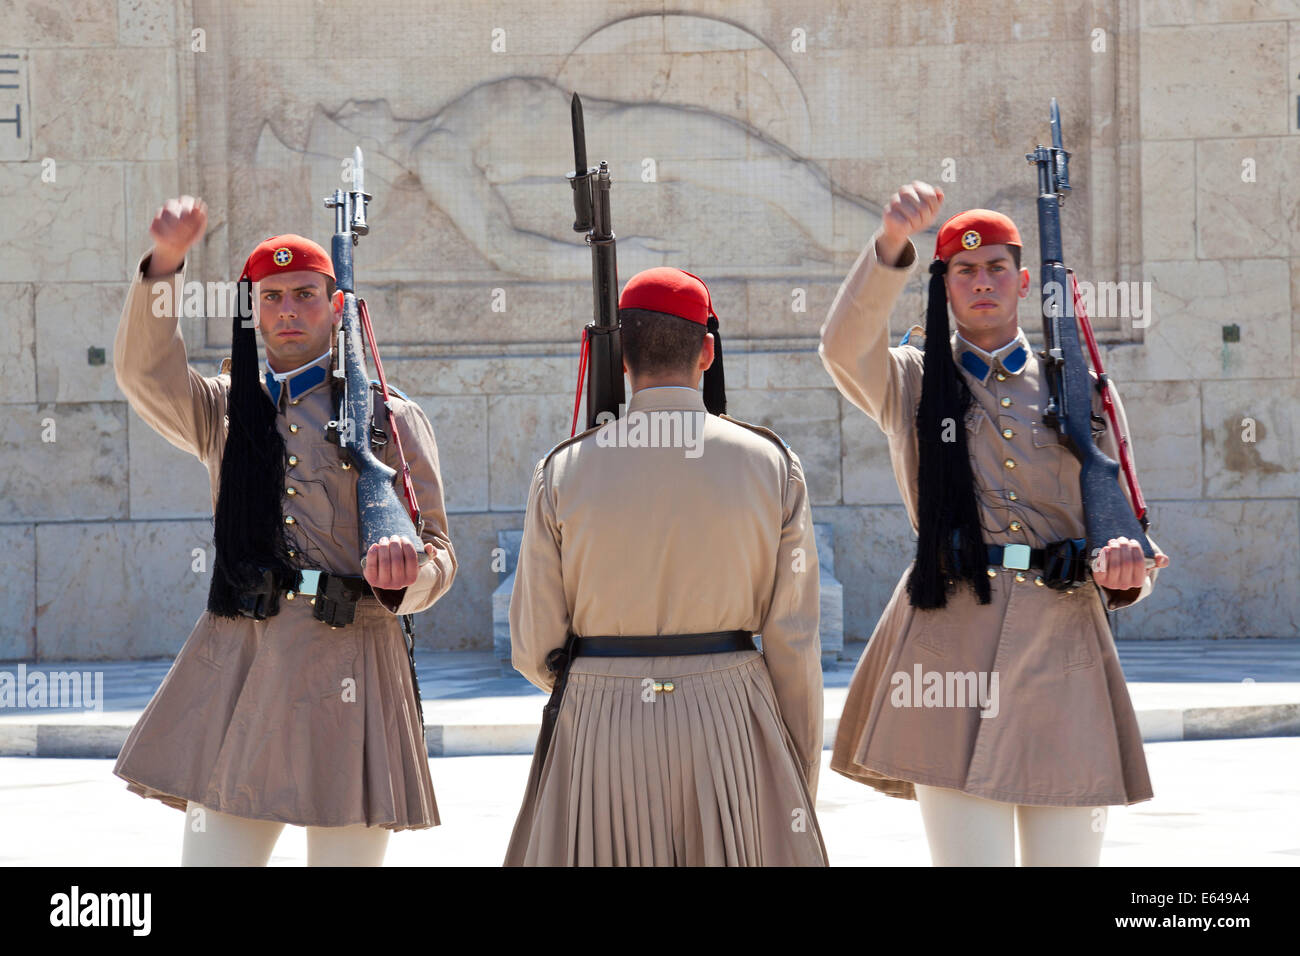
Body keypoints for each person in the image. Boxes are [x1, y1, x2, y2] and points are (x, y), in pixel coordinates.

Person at [820, 182, 1171, 866]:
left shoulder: (1084, 392)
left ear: (1023, 281)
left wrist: (1127, 575)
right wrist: (890, 244)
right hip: (948, 646)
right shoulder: (913, 383)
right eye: (963, 270)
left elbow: (1126, 537)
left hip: (1063, 646)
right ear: (944, 285)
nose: (981, 282)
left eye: (996, 268)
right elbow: (841, 346)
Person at [112, 196, 457, 866]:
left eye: (304, 295)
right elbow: (143, 373)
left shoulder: (390, 417)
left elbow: (441, 552)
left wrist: (409, 577)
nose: (288, 311)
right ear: (252, 312)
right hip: (247, 660)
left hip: (355, 657)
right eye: (271, 299)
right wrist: (164, 267)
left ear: (335, 308)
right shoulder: (224, 410)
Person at [505, 267, 828, 866]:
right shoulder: (770, 463)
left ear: (621, 356)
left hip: (601, 723)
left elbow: (533, 648)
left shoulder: (562, 470)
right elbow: (793, 642)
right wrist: (796, 768)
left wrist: (606, 684)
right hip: (731, 714)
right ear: (707, 350)